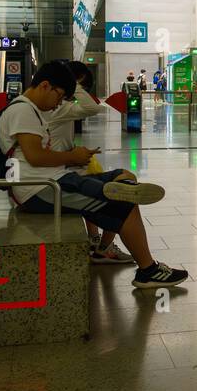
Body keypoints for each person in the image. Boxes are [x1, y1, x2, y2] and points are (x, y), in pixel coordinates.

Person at [0, 61, 187, 288]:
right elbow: (35, 156)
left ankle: (117, 190)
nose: (58, 103)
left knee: (121, 176)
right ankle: (148, 270)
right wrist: (72, 157)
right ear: (45, 86)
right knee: (124, 204)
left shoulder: (31, 110)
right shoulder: (22, 110)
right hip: (41, 189)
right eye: (59, 96)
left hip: (54, 181)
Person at [43, 61, 133, 265]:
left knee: (91, 171)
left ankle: (95, 239)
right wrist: (74, 85)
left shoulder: (42, 107)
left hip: (59, 167)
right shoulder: (60, 108)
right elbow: (93, 107)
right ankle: (104, 248)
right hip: (58, 173)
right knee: (119, 191)